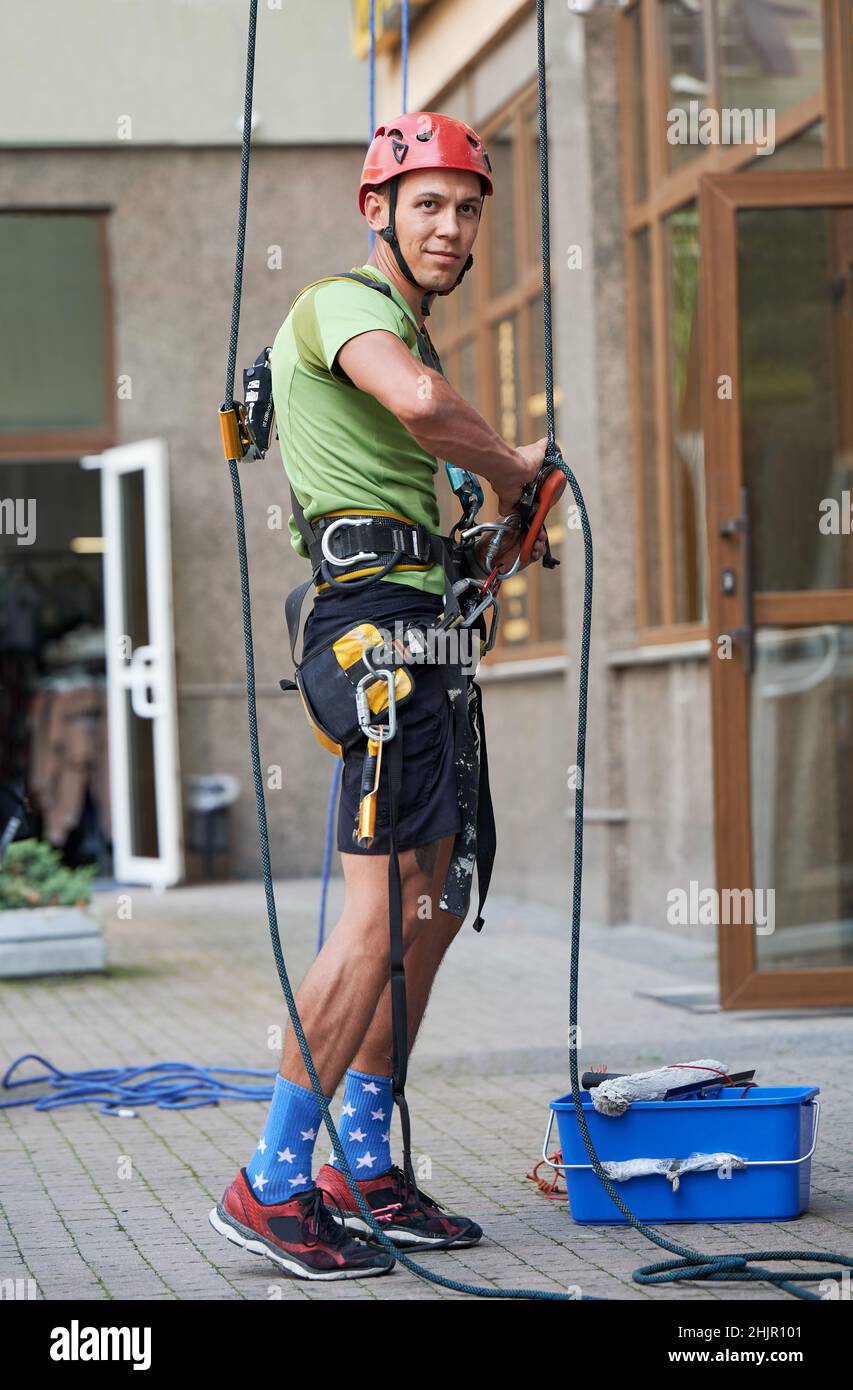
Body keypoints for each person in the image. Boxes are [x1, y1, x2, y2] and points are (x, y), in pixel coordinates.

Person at [210, 112, 549, 1280]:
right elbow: (414, 402)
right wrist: (515, 467)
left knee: (438, 897)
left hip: (426, 628)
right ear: (377, 211)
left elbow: (431, 446)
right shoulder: (341, 307)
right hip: (375, 635)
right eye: (428, 205)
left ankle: (362, 1160)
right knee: (376, 912)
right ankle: (271, 1180)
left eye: (468, 208)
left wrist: (495, 532)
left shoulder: (413, 336)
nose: (451, 226)